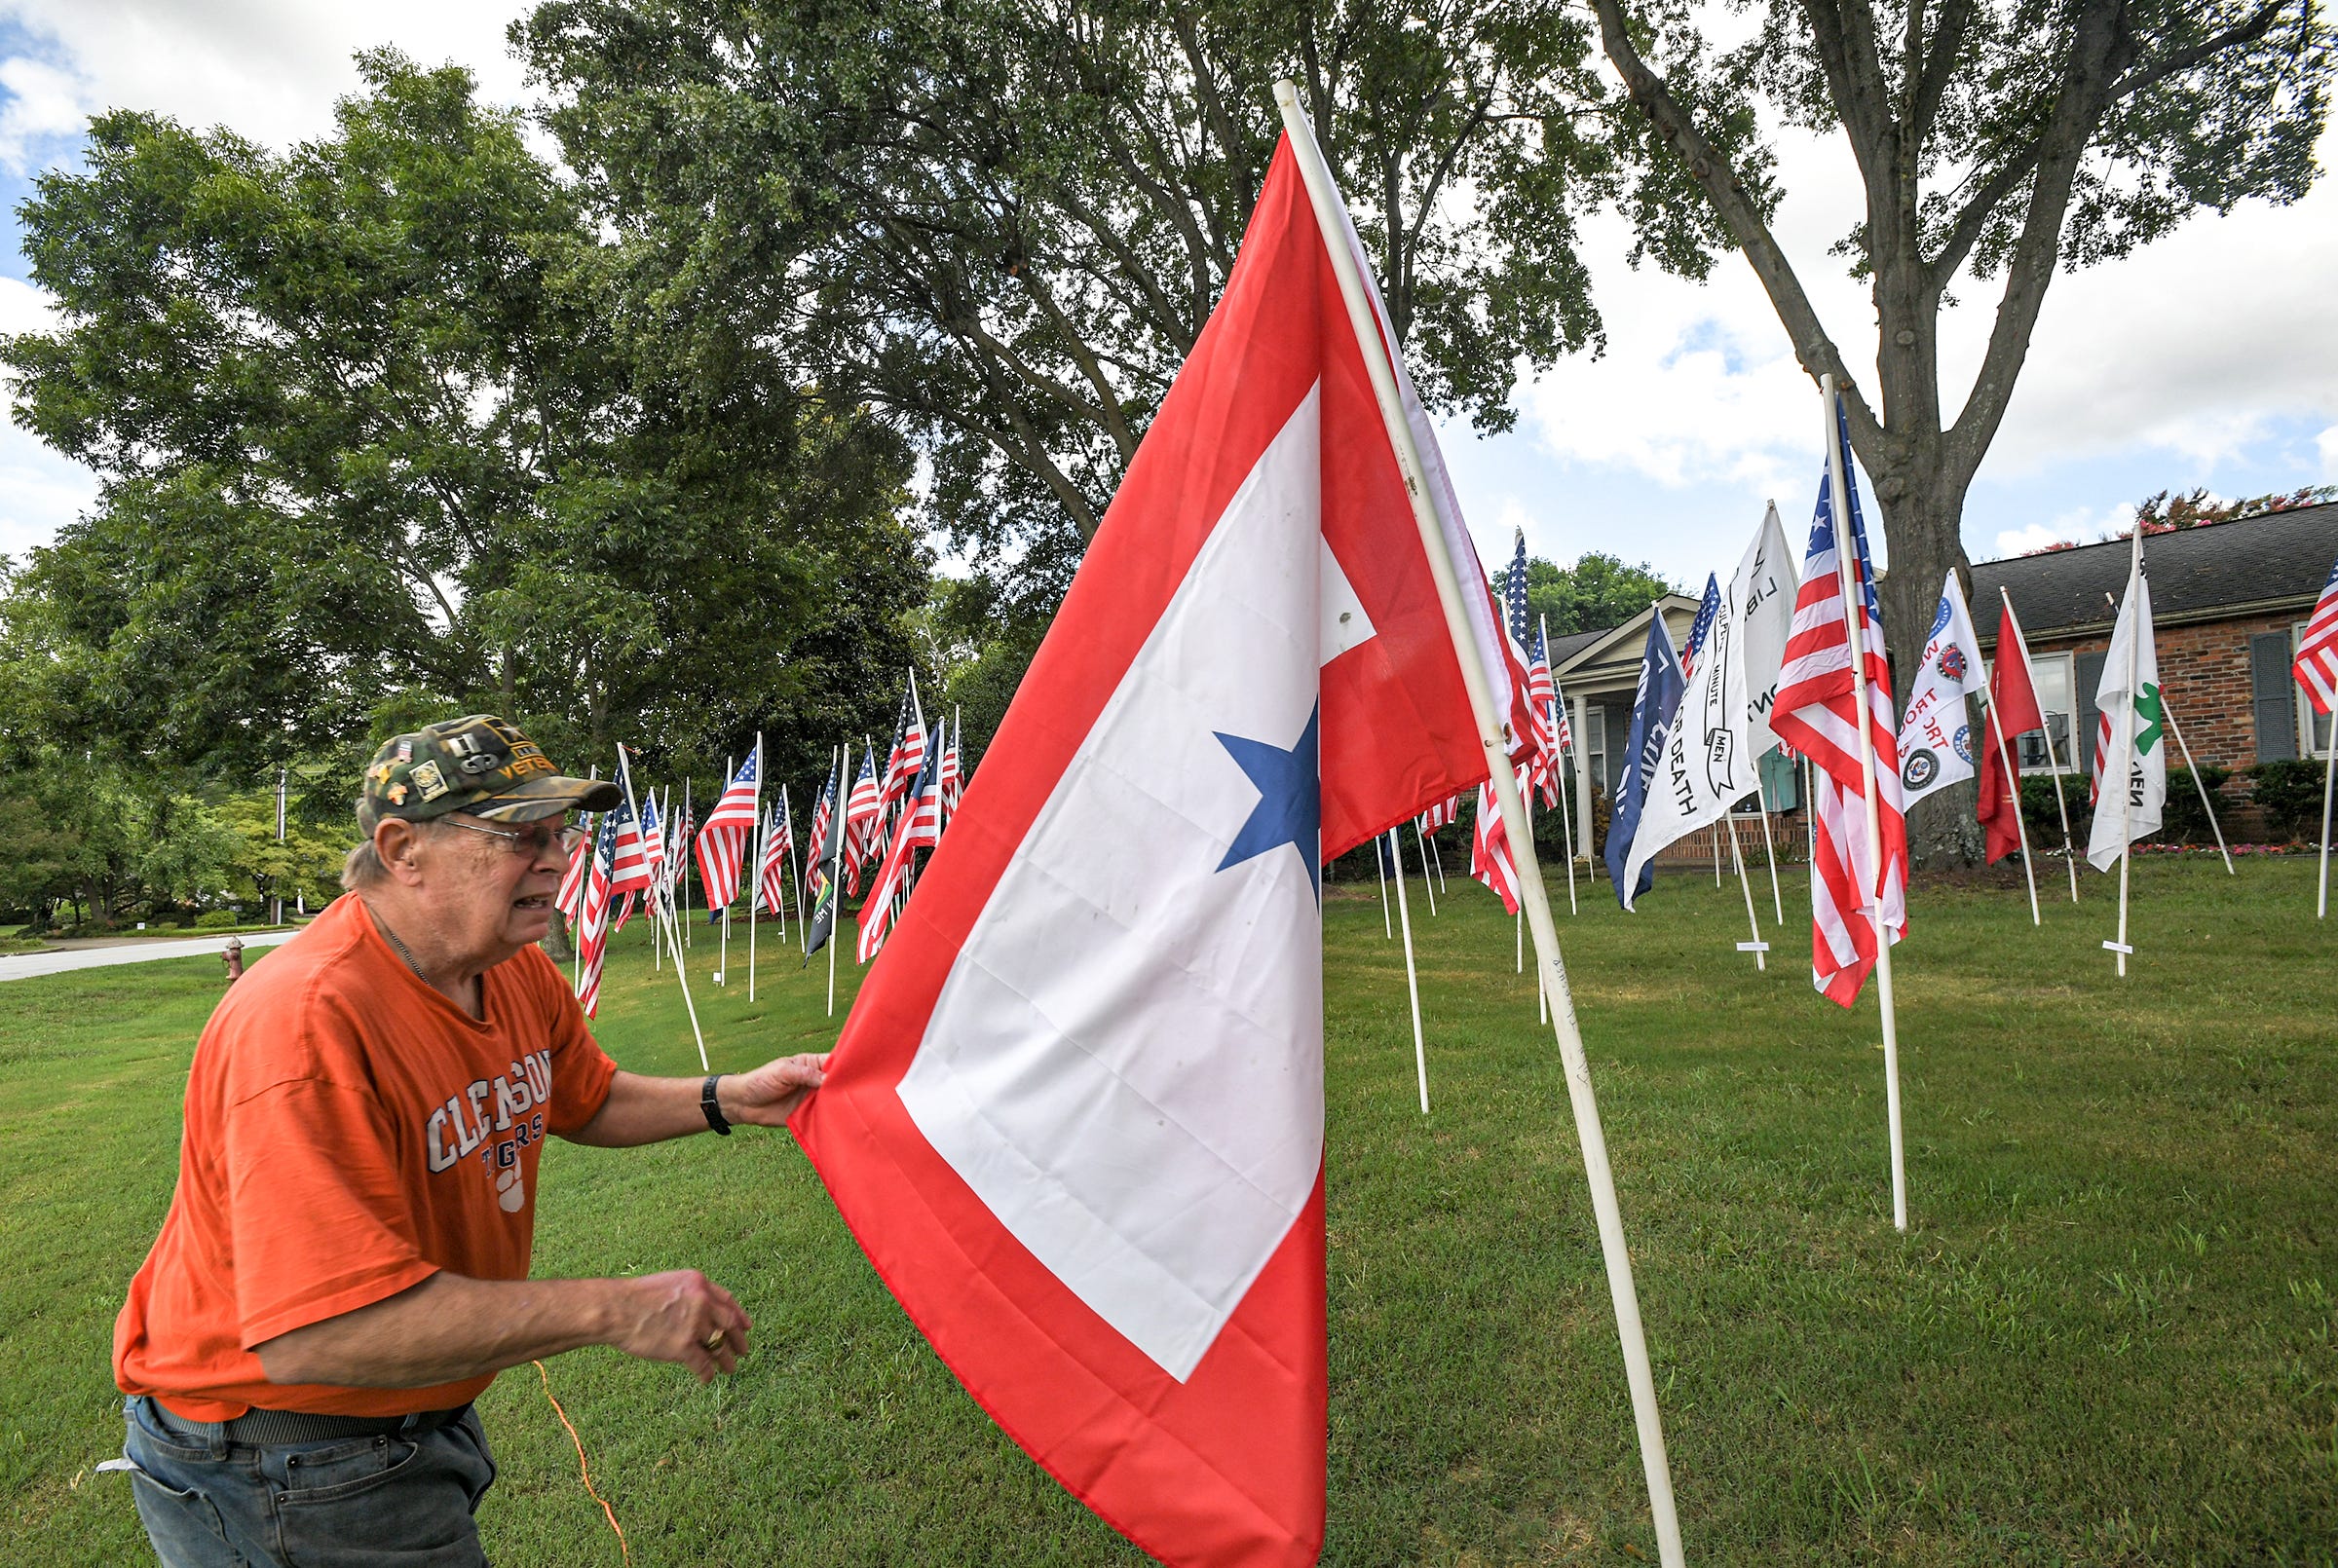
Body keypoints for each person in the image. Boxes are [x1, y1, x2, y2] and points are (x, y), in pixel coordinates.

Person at [109, 714, 828, 1567]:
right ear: (402, 848)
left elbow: (584, 1098)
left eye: (561, 833)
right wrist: (619, 1307)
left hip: (395, 1425)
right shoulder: (304, 1024)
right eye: (521, 834)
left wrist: (728, 1098)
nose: (557, 858)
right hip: (279, 1463)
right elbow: (316, 1331)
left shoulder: (507, 963)